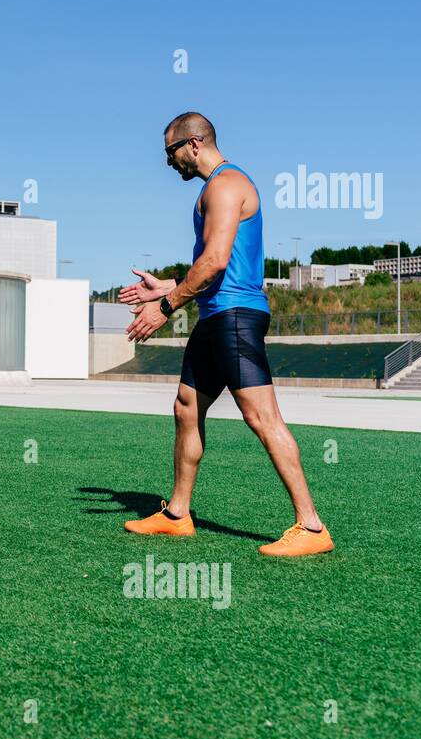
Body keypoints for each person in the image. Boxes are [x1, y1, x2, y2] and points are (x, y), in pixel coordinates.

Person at [120, 113, 332, 556]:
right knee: (185, 408)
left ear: (193, 144)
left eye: (170, 152)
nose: (168, 162)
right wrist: (169, 285)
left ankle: (311, 526)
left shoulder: (226, 184)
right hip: (215, 314)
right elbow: (216, 260)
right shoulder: (213, 188)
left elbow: (216, 262)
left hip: (235, 316)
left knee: (261, 418)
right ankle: (178, 514)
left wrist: (164, 306)